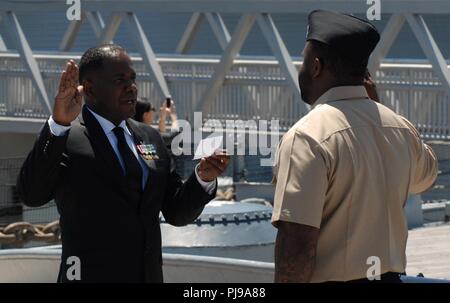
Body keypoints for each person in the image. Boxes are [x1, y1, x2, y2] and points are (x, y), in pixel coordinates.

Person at [16, 44, 230, 283]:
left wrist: (203, 178)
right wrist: (57, 126)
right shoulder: (66, 138)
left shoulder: (150, 137)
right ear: (90, 89)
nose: (131, 87)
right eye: (120, 80)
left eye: (132, 79)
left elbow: (176, 212)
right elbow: (31, 194)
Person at [271, 10, 438, 283]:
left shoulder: (307, 137)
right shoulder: (399, 128)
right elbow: (426, 178)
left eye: (302, 61)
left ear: (316, 67)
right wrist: (378, 111)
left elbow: (297, 247)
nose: (299, 69)